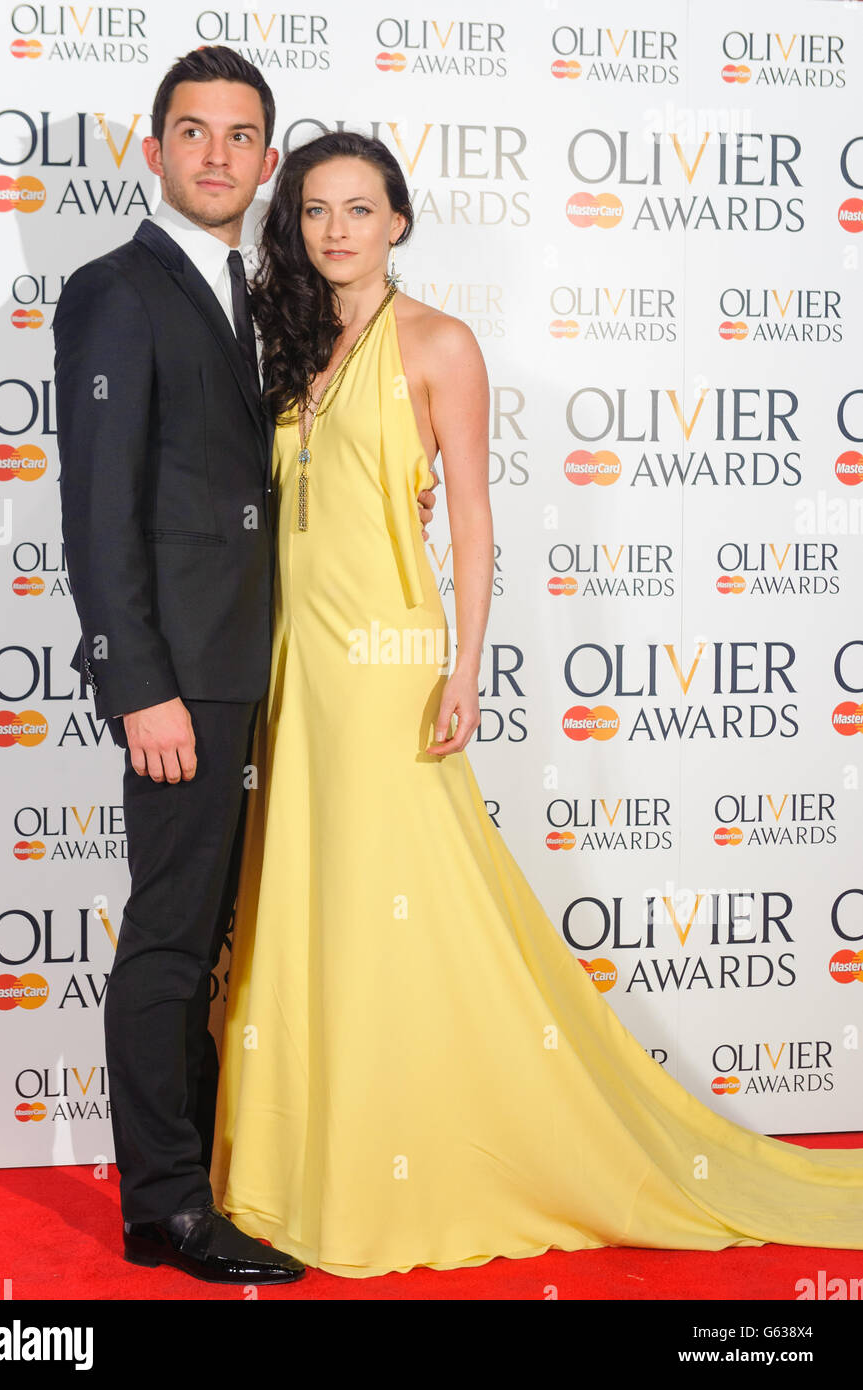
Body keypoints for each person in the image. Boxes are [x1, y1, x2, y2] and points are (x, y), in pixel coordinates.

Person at [209, 131, 863, 1279]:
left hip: (385, 667)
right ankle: (307, 1157)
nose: (337, 231)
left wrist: (464, 666)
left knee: (385, 907)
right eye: (316, 210)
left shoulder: (438, 343)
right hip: (294, 671)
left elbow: (473, 516)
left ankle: (397, 1164)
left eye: (361, 209)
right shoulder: (290, 343)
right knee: (311, 903)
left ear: (399, 222)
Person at [53, 47, 438, 1287]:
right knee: (169, 940)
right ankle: (165, 1207)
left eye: (239, 137)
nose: (216, 154)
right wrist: (137, 685)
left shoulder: (254, 294)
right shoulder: (119, 290)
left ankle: (209, 1172)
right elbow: (96, 512)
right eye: (193, 131)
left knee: (219, 936)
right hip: (184, 685)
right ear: (154, 146)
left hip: (275, 675)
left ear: (266, 163)